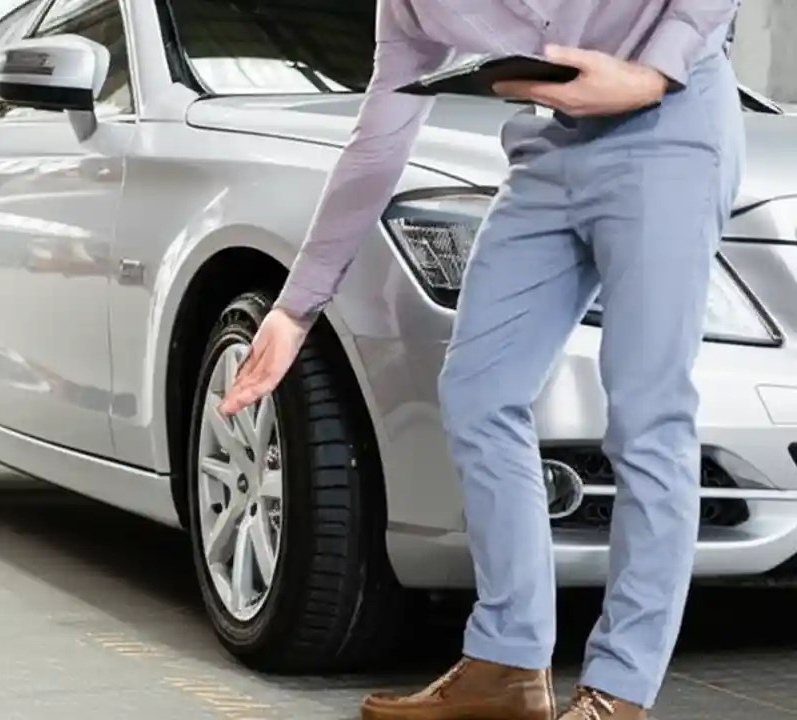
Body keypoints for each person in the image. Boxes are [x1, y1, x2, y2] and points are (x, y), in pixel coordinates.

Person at [220, 2, 743, 719]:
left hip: (670, 129)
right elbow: (379, 140)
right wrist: (295, 307)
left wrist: (650, 73)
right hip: (551, 151)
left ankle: (620, 690)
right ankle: (508, 663)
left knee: (647, 413)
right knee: (476, 388)